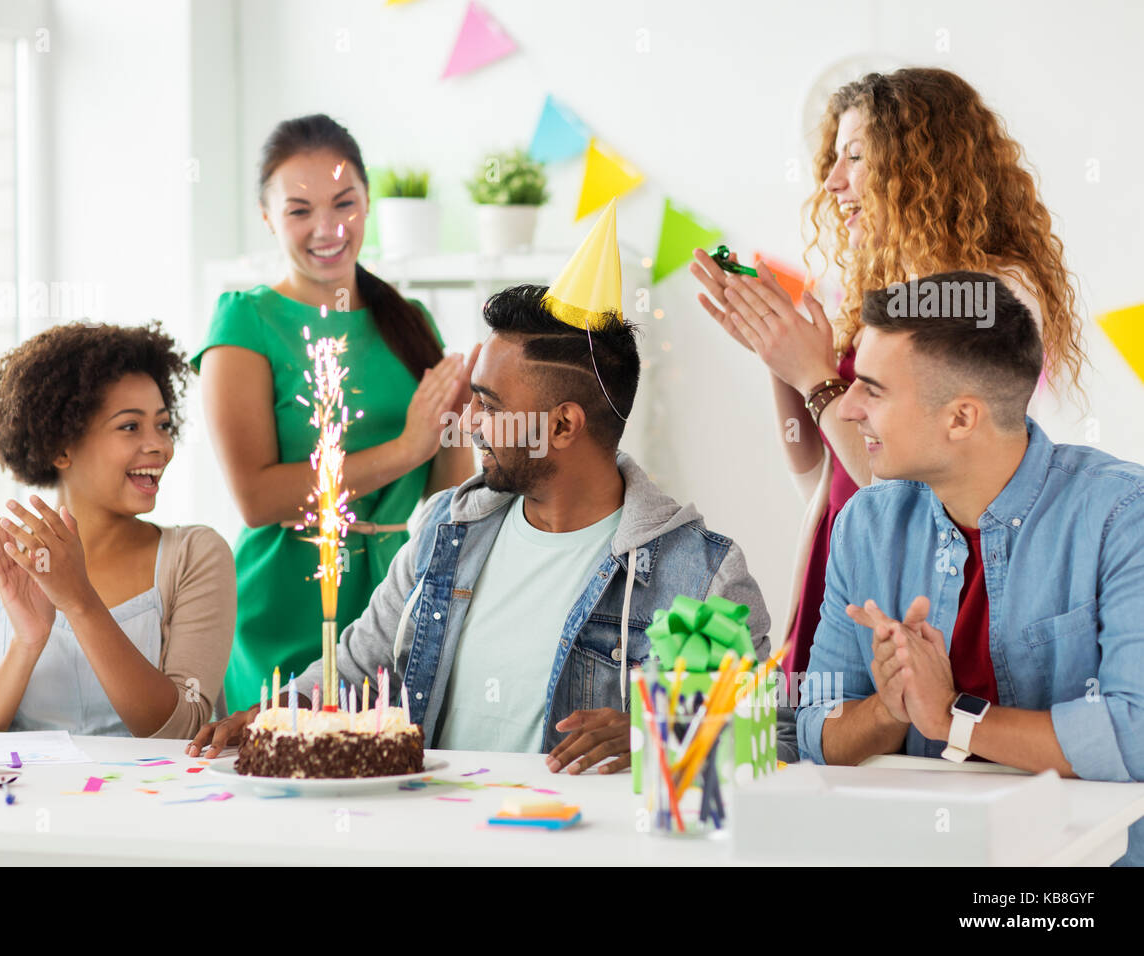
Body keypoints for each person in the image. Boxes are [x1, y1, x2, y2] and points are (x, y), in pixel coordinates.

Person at [190, 205, 774, 772]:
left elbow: (771, 736)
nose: (468, 422)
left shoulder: (699, 574)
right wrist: (276, 713)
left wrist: (659, 735)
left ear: (563, 424)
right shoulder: (449, 528)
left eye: (489, 406)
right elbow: (353, 667)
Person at [690, 67, 1088, 695]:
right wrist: (780, 359)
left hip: (928, 580)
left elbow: (907, 482)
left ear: (922, 168)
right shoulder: (881, 293)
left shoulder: (997, 295)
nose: (833, 181)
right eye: (833, 157)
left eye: (856, 157)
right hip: (850, 559)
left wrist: (814, 374)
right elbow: (823, 479)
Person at [796, 273, 1144, 866]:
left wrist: (954, 716)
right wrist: (890, 706)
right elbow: (813, 732)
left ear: (960, 418)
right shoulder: (864, 526)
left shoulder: (1120, 516)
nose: (847, 408)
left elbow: (1135, 734)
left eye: (872, 390)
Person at [193, 113, 475, 712]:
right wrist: (406, 448)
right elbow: (257, 498)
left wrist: (459, 425)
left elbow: (448, 496)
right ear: (268, 218)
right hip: (286, 601)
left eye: (344, 203)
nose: (327, 227)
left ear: (368, 204)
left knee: (395, 778)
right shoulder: (245, 322)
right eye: (299, 210)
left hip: (395, 598)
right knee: (288, 771)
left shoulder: (410, 322)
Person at [0, 322, 236, 738]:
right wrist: (27, 644)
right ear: (61, 447)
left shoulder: (196, 556)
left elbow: (181, 732)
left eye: (162, 425)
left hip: (151, 801)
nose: (161, 446)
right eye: (130, 426)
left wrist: (80, 602)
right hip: (15, 800)